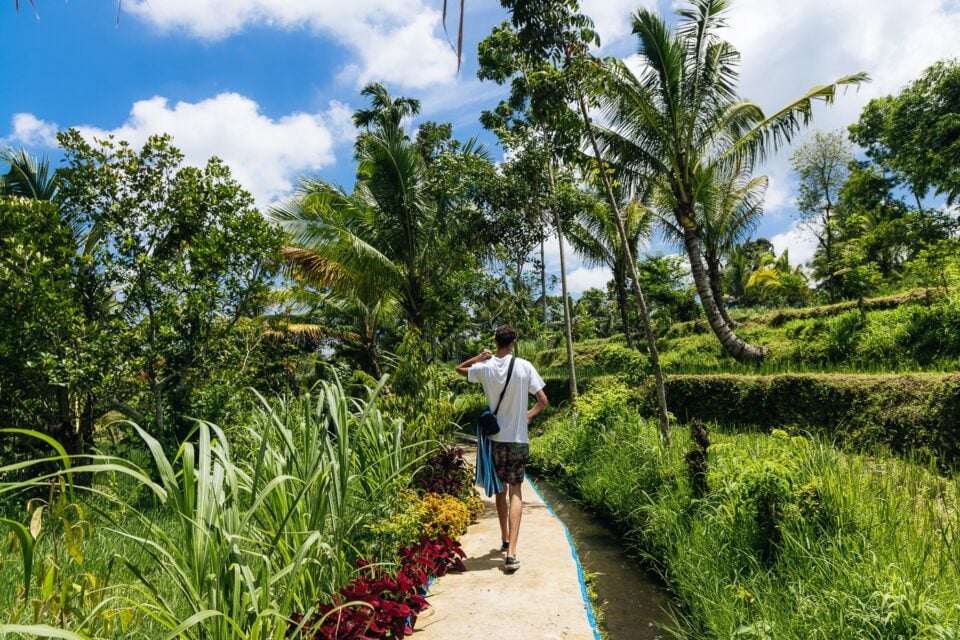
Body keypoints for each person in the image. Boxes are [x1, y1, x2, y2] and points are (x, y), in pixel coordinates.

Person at [456, 324, 548, 572]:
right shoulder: (525, 366)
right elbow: (543, 401)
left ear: (495, 342)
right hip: (518, 439)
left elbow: (459, 369)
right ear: (513, 342)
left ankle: (504, 537)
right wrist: (527, 416)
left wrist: (479, 357)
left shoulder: (485, 368)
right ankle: (512, 553)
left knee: (501, 488)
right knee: (516, 490)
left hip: (495, 440)